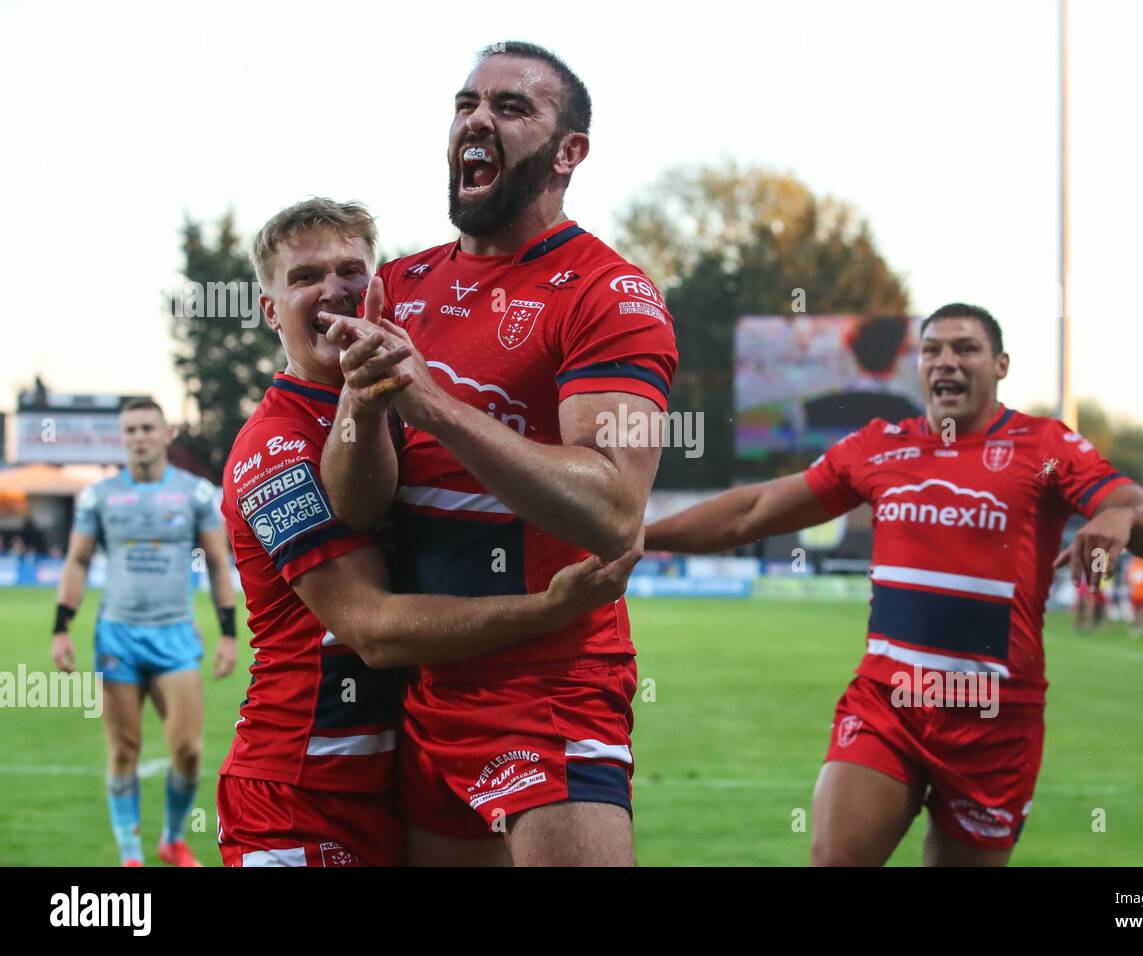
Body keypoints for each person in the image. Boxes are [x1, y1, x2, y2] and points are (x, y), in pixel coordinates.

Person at [644, 303, 1143, 866]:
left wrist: (1120, 516)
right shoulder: (878, 447)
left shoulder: (1045, 447)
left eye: (965, 349)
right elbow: (752, 511)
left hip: (996, 724)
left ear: (1000, 365)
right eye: (932, 350)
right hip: (888, 705)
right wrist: (639, 539)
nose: (946, 361)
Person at [319, 42, 677, 866]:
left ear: (568, 152)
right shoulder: (400, 283)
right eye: (466, 104)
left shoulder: (608, 293)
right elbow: (356, 506)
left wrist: (434, 406)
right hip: (427, 684)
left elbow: (613, 508)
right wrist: (361, 404)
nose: (478, 120)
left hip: (549, 688)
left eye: (512, 108)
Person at [216, 198, 638, 867]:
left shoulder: (399, 406)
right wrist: (549, 611)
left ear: (378, 288)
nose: (333, 290)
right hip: (300, 792)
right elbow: (373, 628)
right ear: (270, 310)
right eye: (304, 278)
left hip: (392, 788)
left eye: (350, 270)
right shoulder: (274, 446)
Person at [51, 398, 239, 867]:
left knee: (189, 751)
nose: (138, 436)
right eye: (130, 429)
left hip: (176, 636)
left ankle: (172, 838)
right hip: (117, 637)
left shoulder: (196, 494)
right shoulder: (100, 496)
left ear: (166, 432)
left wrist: (230, 634)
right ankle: (130, 854)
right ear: (122, 437)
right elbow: (76, 561)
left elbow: (219, 564)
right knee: (124, 749)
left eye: (146, 428)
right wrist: (61, 628)